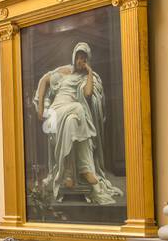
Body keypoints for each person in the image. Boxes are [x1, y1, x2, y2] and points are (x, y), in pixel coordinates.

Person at [34, 41, 124, 205]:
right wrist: (40, 106)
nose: (80, 61)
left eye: (84, 58)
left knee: (72, 121)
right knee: (78, 109)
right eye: (78, 57)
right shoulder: (64, 71)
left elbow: (88, 93)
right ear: (74, 57)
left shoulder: (87, 77)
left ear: (88, 60)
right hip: (57, 110)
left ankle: (70, 172)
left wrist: (89, 71)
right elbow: (43, 82)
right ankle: (86, 170)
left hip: (71, 113)